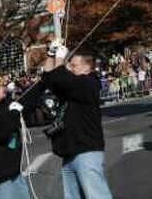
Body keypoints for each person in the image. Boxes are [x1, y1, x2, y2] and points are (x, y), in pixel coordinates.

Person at [40, 42, 114, 199]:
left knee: (96, 194)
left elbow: (60, 77)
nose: (70, 68)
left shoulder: (88, 83)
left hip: (86, 149)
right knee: (73, 196)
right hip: (70, 150)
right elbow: (49, 78)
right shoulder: (72, 85)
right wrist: (51, 55)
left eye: (74, 65)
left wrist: (61, 57)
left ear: (87, 67)